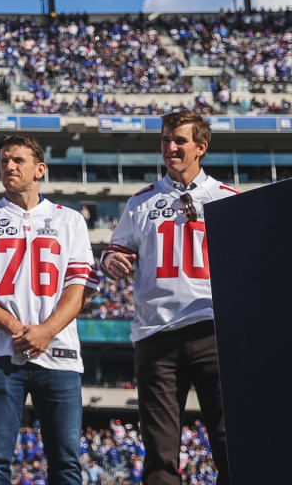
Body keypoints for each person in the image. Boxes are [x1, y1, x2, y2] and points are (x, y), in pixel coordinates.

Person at [0, 135, 97, 485]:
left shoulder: (70, 220)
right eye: (4, 161)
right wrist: (14, 326)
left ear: (40, 169)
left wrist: (46, 330)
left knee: (65, 461)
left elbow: (81, 288)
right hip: (0, 351)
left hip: (59, 353)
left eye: (18, 160)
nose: (9, 167)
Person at [102, 110, 236, 485]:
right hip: (156, 335)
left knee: (230, 442)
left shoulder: (228, 199)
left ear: (201, 148)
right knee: (160, 453)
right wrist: (113, 259)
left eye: (179, 140)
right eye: (165, 140)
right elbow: (116, 249)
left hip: (214, 331)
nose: (170, 147)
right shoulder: (141, 202)